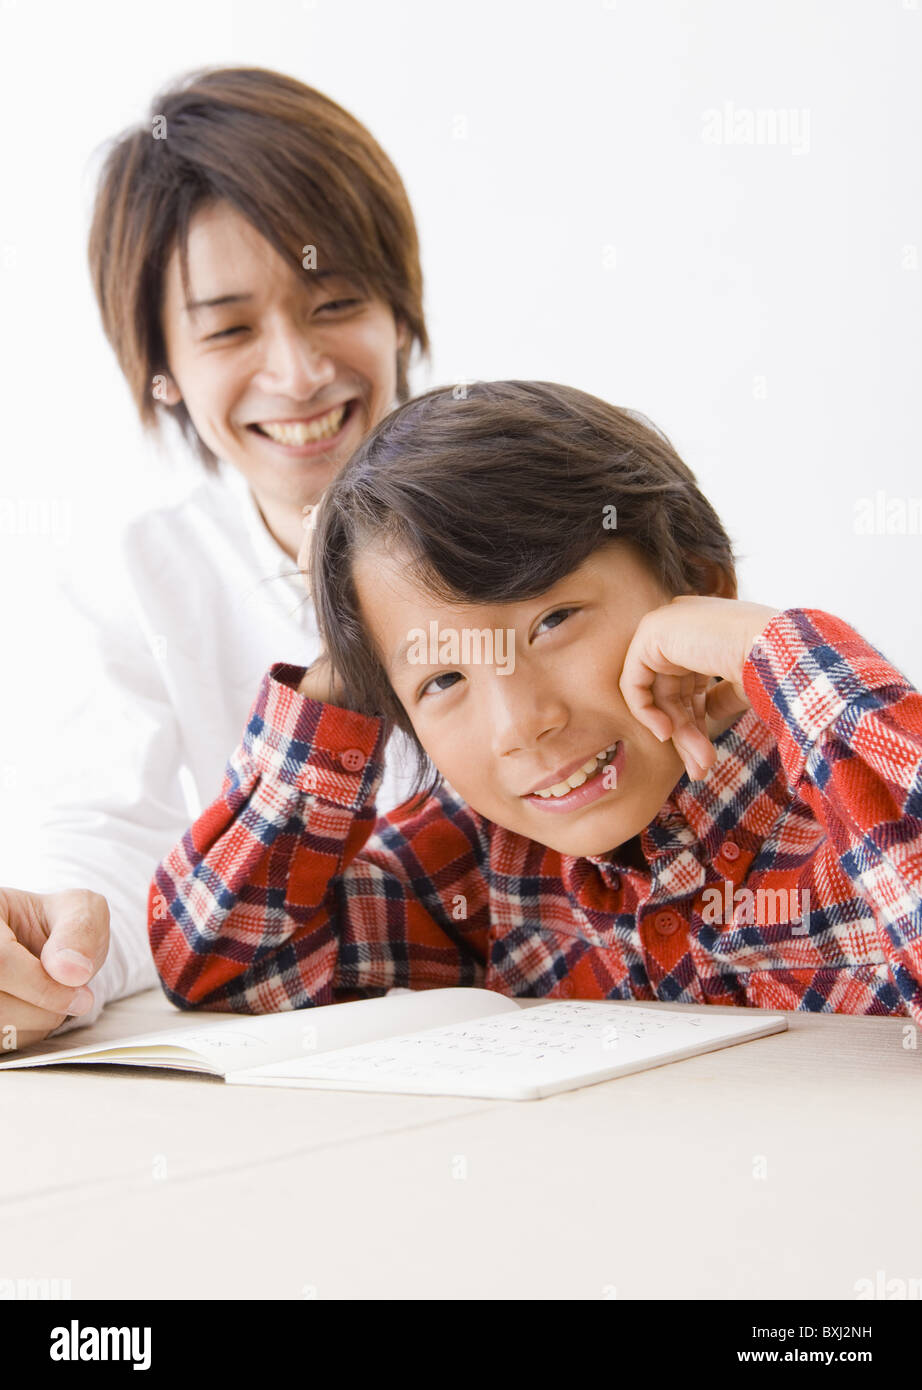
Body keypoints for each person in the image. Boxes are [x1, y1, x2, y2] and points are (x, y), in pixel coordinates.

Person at [148, 381, 922, 1024]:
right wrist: (345, 682)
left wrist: (766, 650)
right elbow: (226, 963)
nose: (523, 724)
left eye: (552, 622)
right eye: (443, 683)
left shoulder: (846, 808)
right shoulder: (485, 865)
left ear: (697, 580)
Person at [1, 66, 428, 1051]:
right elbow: (111, 846)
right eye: (230, 328)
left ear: (399, 310)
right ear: (159, 368)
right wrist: (61, 946)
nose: (298, 372)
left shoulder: (533, 511)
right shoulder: (139, 576)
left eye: (334, 303)